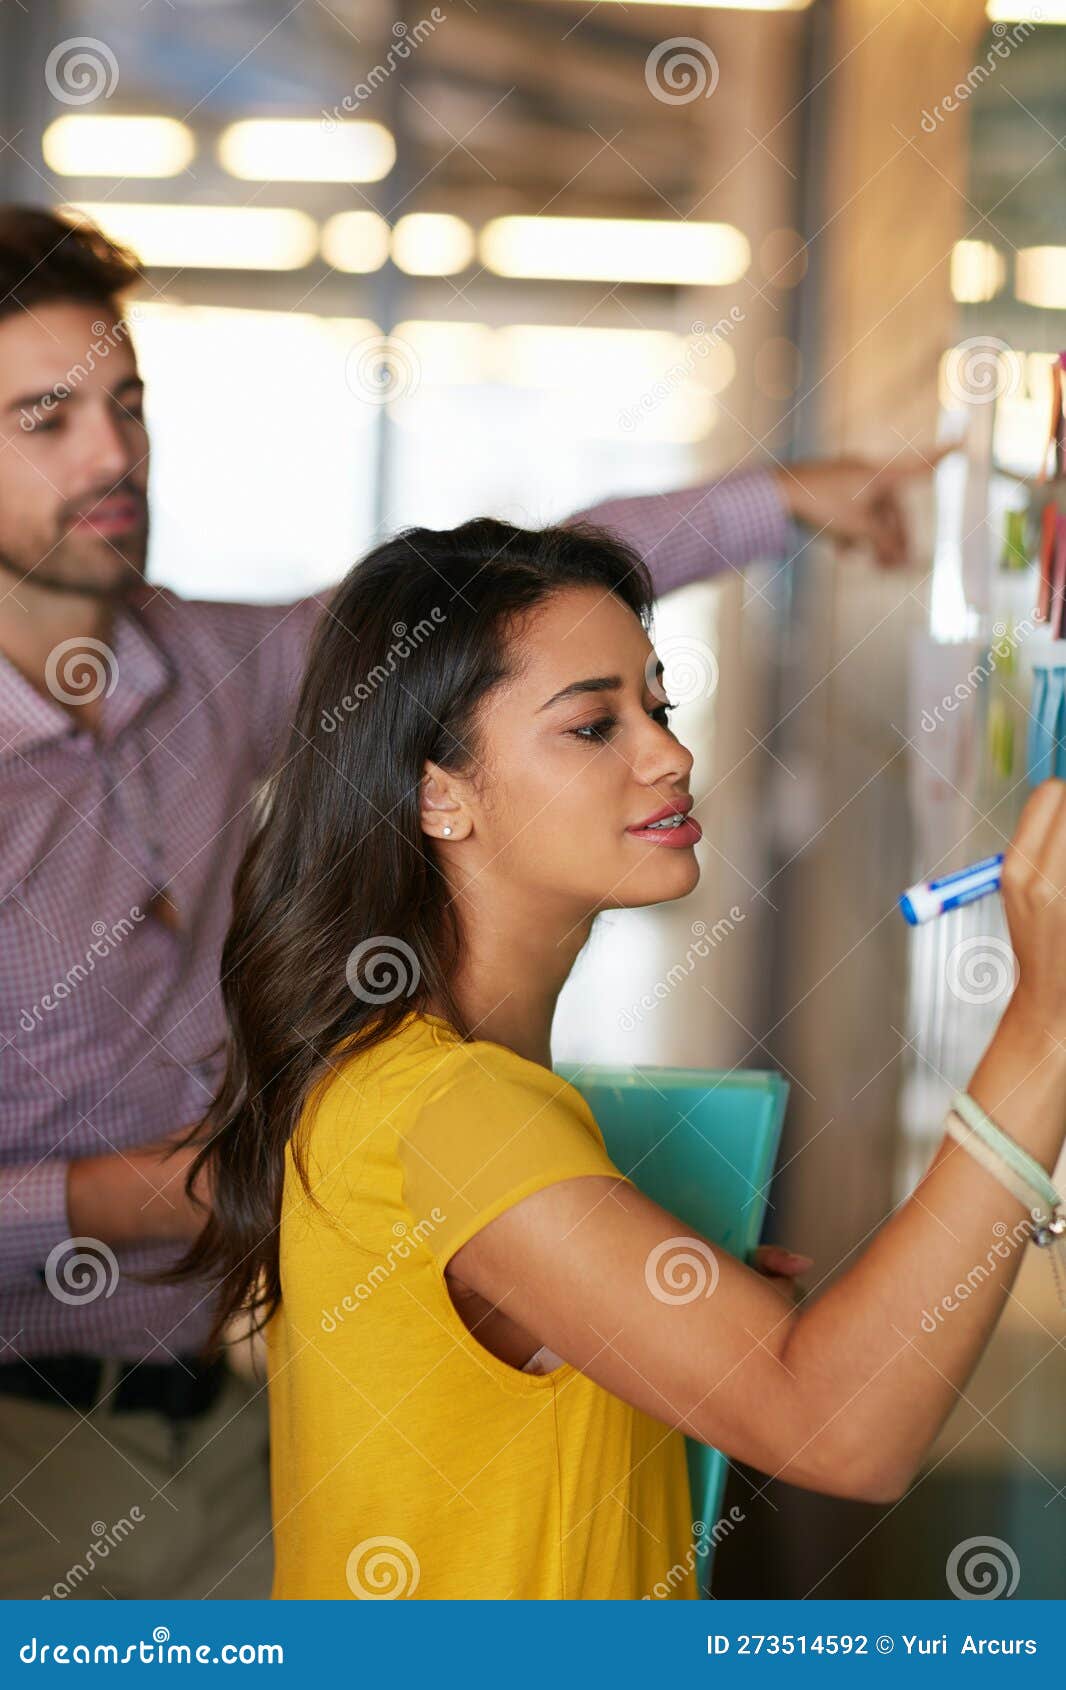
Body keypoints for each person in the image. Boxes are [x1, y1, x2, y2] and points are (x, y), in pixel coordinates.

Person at [0, 203, 933, 1600]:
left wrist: (785, 500)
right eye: (44, 420)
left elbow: (492, 619)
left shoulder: (204, 665)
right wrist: (122, 1196)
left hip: (228, 1397)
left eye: (125, 404)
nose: (113, 453)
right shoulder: (426, 1103)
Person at [177, 517, 1066, 1601]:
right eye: (593, 725)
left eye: (657, 705)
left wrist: (667, 1303)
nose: (670, 754)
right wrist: (1043, 1028)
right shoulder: (453, 1109)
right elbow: (842, 1431)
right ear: (434, 794)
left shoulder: (411, 1080)